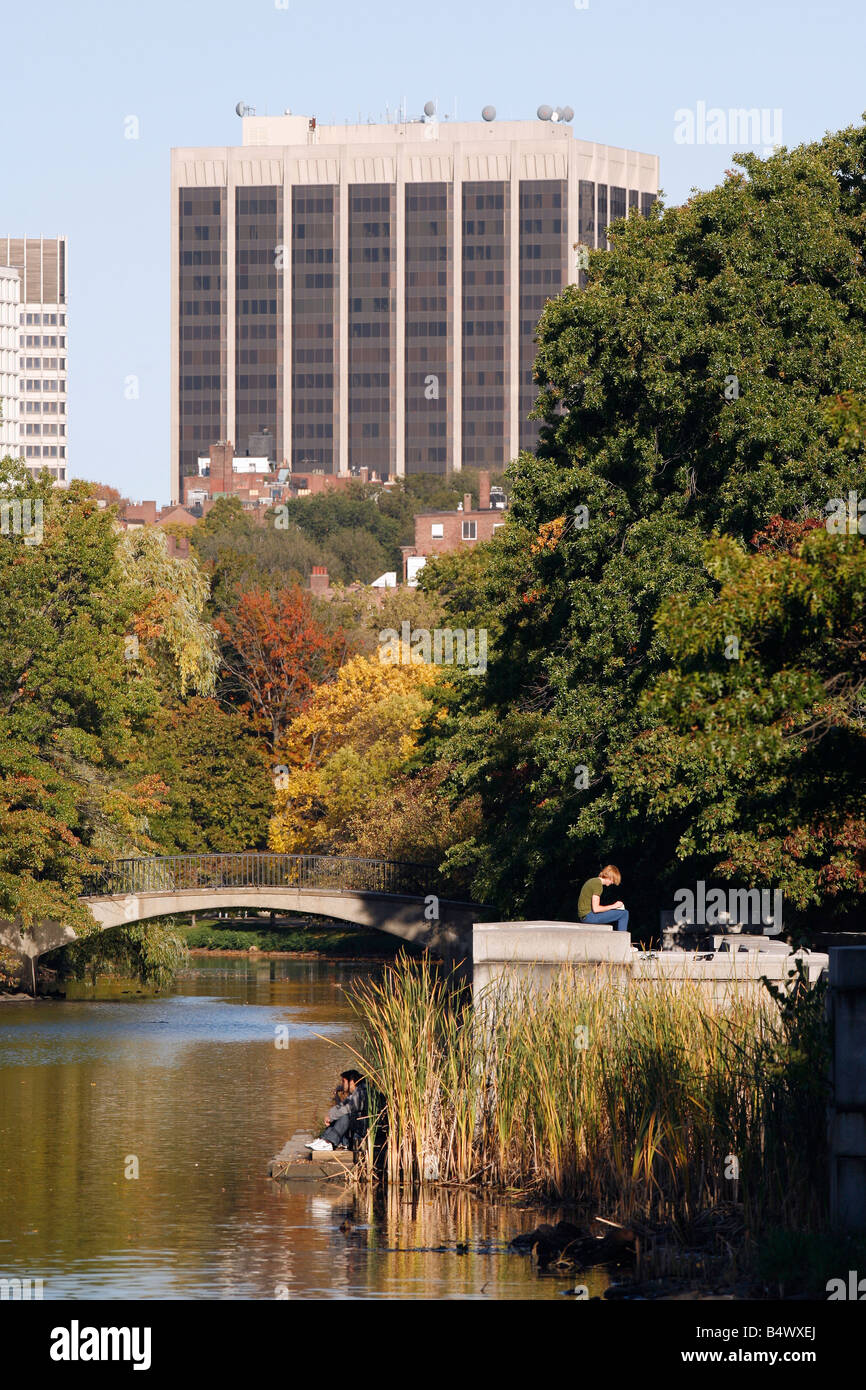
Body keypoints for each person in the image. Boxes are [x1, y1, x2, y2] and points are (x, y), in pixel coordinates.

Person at [306, 1070, 368, 1152]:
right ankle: (324, 1139)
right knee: (341, 1115)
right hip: (359, 1124)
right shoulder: (356, 1092)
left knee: (345, 1116)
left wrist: (331, 1117)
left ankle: (328, 1142)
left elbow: (347, 1109)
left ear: (351, 1081)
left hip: (365, 1128)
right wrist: (329, 1114)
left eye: (343, 1082)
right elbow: (341, 1106)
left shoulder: (361, 1092)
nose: (341, 1084)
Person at [577, 863, 629, 933]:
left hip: (585, 916)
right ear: (609, 877)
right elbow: (596, 909)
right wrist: (614, 906)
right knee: (624, 913)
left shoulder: (593, 881)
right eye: (613, 880)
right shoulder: (598, 885)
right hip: (589, 917)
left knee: (622, 913)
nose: (612, 883)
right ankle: (622, 940)